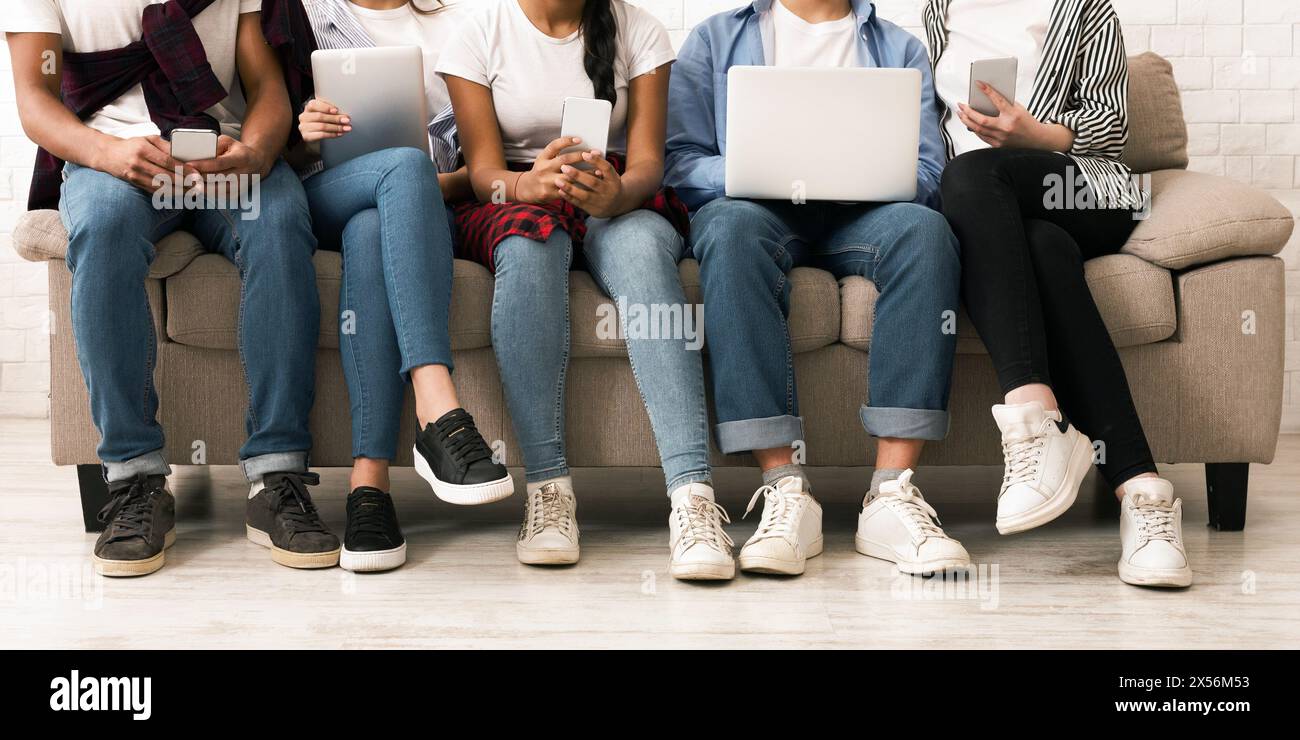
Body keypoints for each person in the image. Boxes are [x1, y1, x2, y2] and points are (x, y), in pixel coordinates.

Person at [5, 0, 338, 575]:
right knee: (104, 229)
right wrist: (108, 153)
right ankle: (134, 480)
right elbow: (35, 98)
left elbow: (265, 86)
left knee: (280, 226)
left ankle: (277, 476)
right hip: (112, 155)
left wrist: (257, 153)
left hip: (222, 151)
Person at [666, 0, 969, 577]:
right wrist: (756, 170)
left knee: (927, 232)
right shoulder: (713, 39)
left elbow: (928, 174)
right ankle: (784, 489)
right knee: (728, 229)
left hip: (863, 215)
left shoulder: (900, 49)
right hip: (757, 211)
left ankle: (891, 492)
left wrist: (858, 176)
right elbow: (680, 163)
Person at [438, 0, 732, 579]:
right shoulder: (477, 36)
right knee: (529, 249)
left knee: (643, 253)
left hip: (614, 189)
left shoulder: (640, 31)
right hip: (516, 192)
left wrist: (617, 195)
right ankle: (548, 491)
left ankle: (693, 498)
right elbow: (483, 172)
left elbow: (649, 163)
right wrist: (525, 185)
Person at [927, 0, 1190, 587]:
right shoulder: (940, 8)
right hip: (989, 212)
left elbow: (1112, 124)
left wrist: (1033, 135)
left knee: (973, 172)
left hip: (1079, 185)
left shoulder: (1083, 7)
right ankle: (1142, 493)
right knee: (1040, 247)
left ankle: (1035, 416)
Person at [299, 0, 512, 573]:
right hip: (327, 189)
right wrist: (305, 135)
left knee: (376, 224)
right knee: (404, 166)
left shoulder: (462, 26)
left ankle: (369, 488)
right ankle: (438, 410)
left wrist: (419, 186)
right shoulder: (307, 14)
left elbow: (481, 168)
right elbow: (269, 138)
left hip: (423, 205)